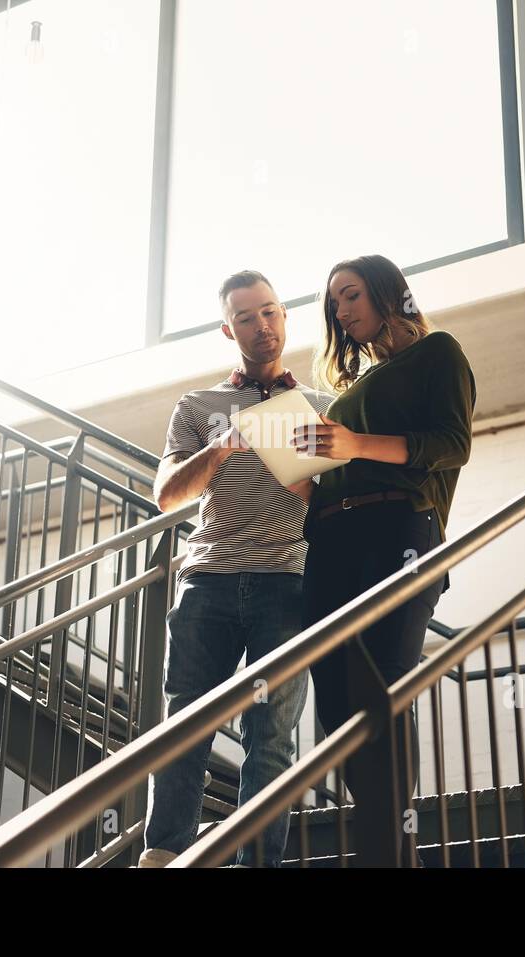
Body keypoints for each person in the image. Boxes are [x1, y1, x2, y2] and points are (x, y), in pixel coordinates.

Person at [139, 270, 331, 868]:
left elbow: (329, 507)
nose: (262, 325)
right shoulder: (197, 406)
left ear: (284, 316)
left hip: (288, 585)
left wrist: (290, 456)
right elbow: (167, 494)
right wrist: (219, 446)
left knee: (271, 738)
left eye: (270, 312)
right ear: (229, 328)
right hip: (208, 582)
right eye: (246, 317)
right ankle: (164, 854)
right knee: (186, 725)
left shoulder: (320, 407)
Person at [290, 253, 476, 837]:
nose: (340, 311)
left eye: (350, 295)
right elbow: (339, 456)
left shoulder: (437, 351)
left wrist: (354, 443)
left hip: (398, 532)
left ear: (385, 291)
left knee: (383, 688)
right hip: (329, 540)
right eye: (334, 303)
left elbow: (450, 443)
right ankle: (386, 838)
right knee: (335, 703)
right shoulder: (352, 385)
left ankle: (394, 843)